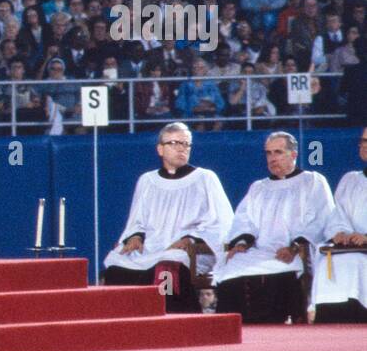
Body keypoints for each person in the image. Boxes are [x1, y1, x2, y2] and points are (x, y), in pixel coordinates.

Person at [102, 123, 234, 312]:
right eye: (175, 143)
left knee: (169, 264)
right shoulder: (147, 180)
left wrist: (190, 238)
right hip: (151, 247)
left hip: (191, 251)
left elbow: (223, 222)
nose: (182, 148)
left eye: (186, 144)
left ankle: (172, 318)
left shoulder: (205, 178)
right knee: (117, 261)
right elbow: (137, 220)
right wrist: (135, 236)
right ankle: (124, 319)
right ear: (160, 149)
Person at [213, 132, 336, 323]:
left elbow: (321, 220)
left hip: (293, 251)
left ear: (293, 155)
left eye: (278, 152)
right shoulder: (259, 187)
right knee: (231, 266)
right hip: (259, 249)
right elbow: (245, 221)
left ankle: (273, 322)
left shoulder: (312, 181)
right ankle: (234, 325)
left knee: (279, 266)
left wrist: (295, 247)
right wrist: (242, 242)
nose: (272, 158)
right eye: (268, 153)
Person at [311, 128, 367, 322]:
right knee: (331, 261)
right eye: (362, 141)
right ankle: (330, 324)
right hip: (350, 246)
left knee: (354, 263)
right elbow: (338, 214)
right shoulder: (350, 179)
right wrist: (340, 232)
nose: (364, 146)